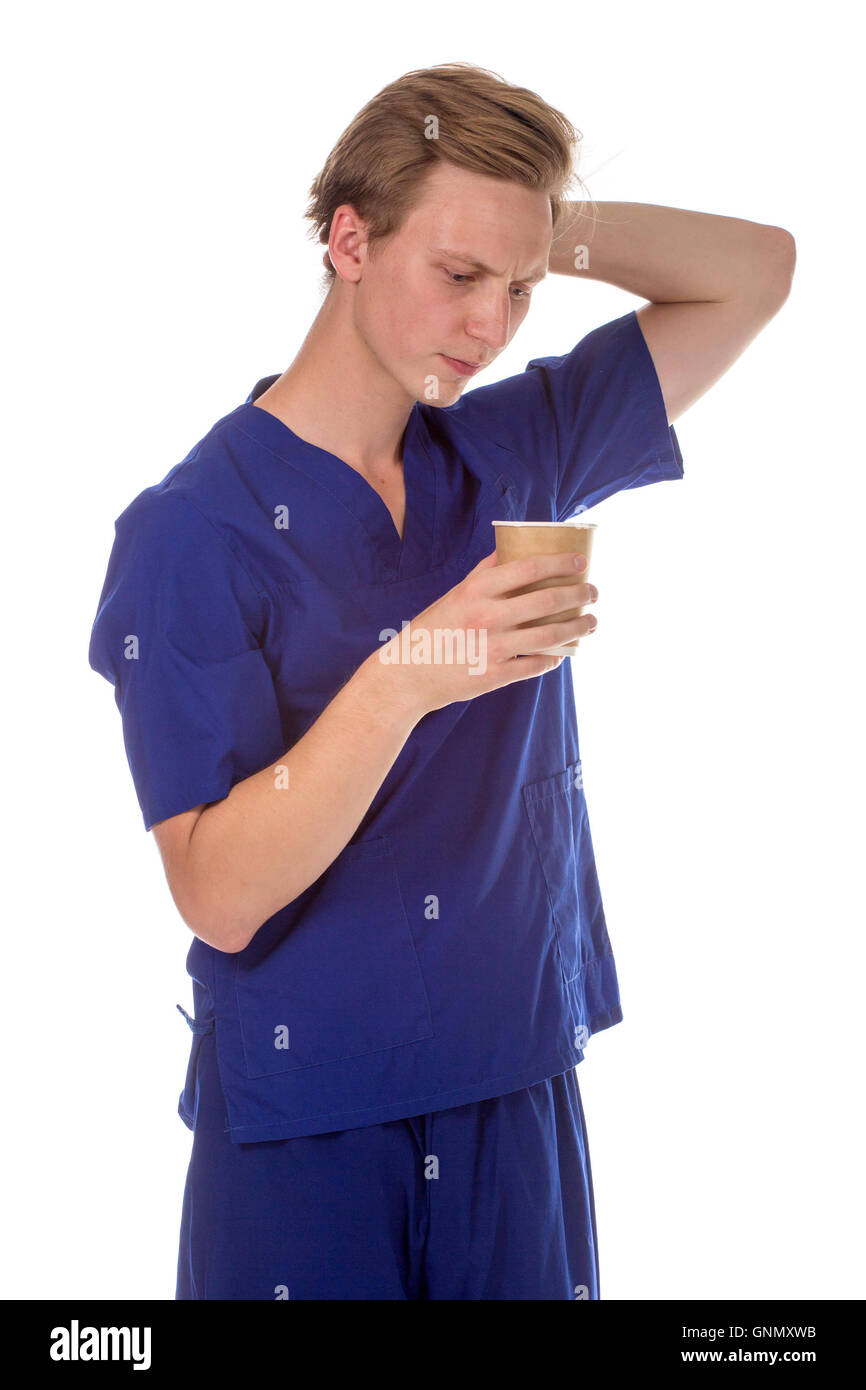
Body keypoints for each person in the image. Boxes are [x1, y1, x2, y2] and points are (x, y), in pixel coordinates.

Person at [87, 62, 795, 1300]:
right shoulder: (194, 529)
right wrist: (412, 671)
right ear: (347, 237)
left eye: (516, 290)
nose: (489, 326)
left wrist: (540, 227)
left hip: (511, 1085)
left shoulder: (511, 449)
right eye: (457, 275)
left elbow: (756, 271)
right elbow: (217, 893)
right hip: (308, 1122)